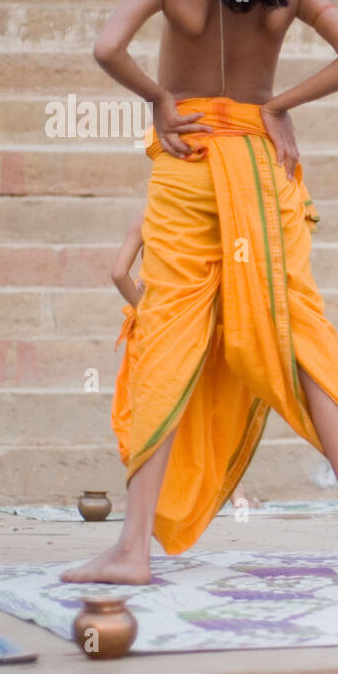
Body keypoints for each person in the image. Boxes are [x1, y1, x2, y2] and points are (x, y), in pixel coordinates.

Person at [61, 0, 338, 583]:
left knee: (166, 336)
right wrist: (276, 105)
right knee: (299, 332)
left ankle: (132, 552)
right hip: (261, 167)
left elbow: (108, 48)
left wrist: (160, 100)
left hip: (187, 166)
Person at [109, 207, 272, 510]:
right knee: (212, 408)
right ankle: (235, 494)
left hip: (157, 327)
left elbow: (119, 273)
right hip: (204, 324)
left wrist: (141, 308)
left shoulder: (145, 217)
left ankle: (142, 495)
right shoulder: (214, 215)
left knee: (150, 409)